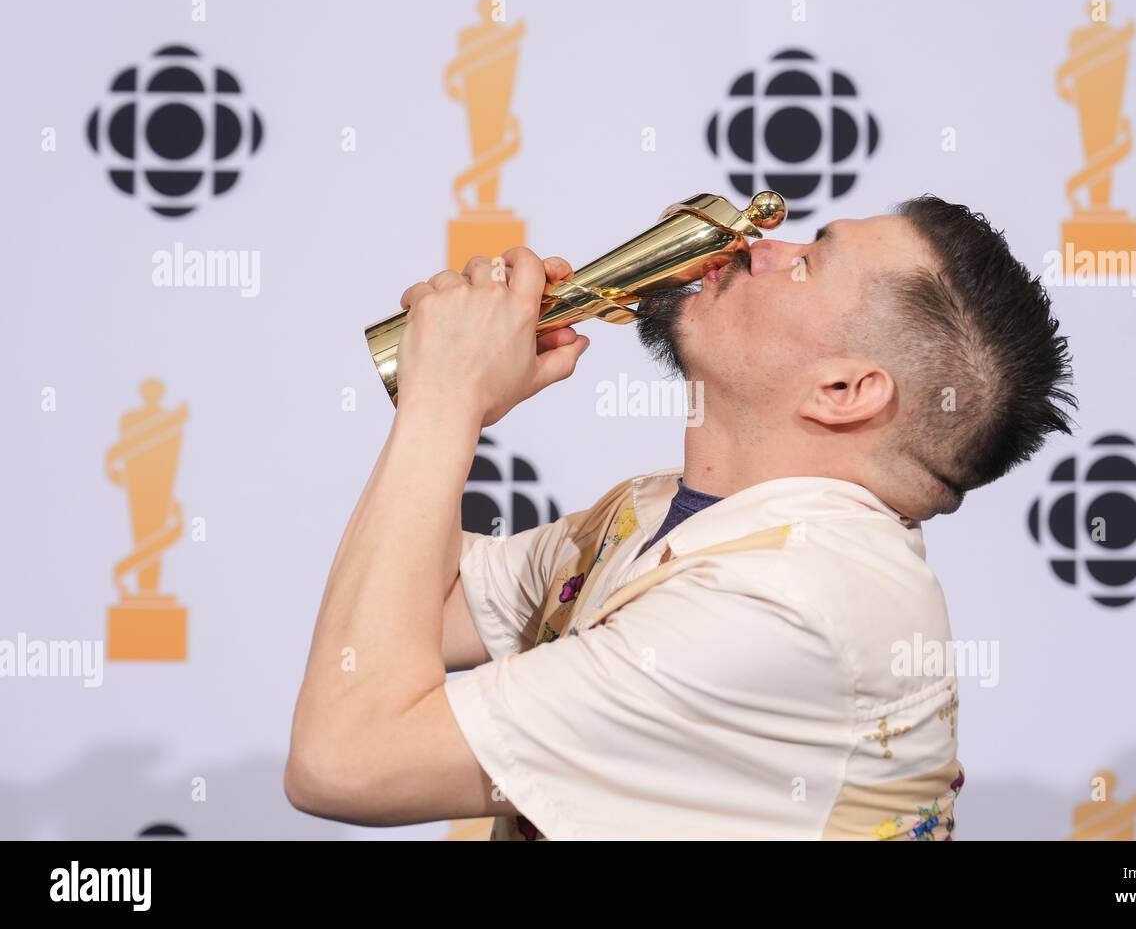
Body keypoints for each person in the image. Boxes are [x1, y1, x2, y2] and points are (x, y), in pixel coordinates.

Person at [285, 195, 1075, 839]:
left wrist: (443, 403)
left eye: (804, 261)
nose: (752, 242)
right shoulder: (670, 511)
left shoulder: (790, 602)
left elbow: (345, 759)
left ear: (843, 391)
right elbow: (411, 605)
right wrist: (447, 393)